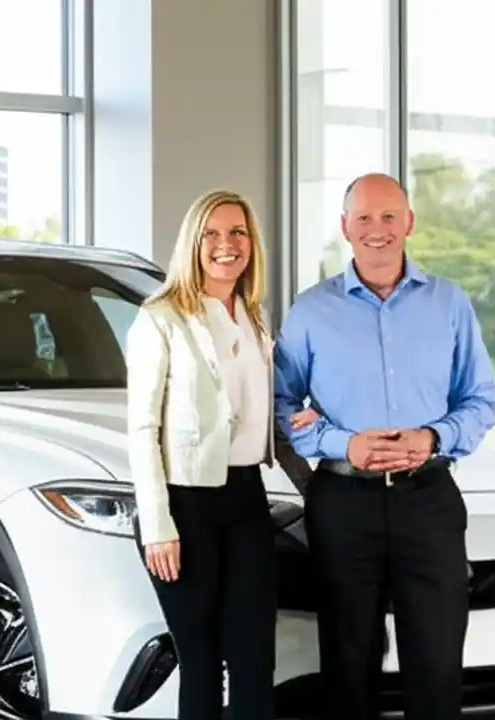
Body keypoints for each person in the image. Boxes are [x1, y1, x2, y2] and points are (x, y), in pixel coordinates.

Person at [272, 172, 495, 719]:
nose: (378, 230)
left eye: (390, 217)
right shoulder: (310, 311)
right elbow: (280, 407)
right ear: (345, 227)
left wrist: (434, 437)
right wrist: (341, 444)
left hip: (428, 500)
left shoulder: (448, 303)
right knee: (348, 664)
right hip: (343, 504)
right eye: (365, 218)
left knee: (438, 661)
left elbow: (481, 398)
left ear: (410, 223)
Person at [125, 188, 313, 720]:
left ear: (251, 243)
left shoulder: (254, 317)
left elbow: (266, 417)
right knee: (202, 661)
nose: (225, 244)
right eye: (212, 233)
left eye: (237, 233)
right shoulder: (160, 318)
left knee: (255, 657)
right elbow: (141, 428)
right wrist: (160, 527)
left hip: (246, 500)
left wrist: (314, 483)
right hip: (184, 506)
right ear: (193, 243)